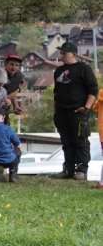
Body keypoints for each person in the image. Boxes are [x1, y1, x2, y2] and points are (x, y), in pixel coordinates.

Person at [51, 41, 98, 179]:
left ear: (73, 54)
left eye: (64, 52)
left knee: (81, 141)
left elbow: (93, 90)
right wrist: (56, 112)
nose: (61, 55)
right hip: (61, 112)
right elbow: (56, 93)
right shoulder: (58, 71)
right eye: (61, 52)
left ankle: (81, 170)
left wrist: (86, 108)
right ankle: (68, 169)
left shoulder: (84, 68)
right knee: (66, 141)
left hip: (78, 111)